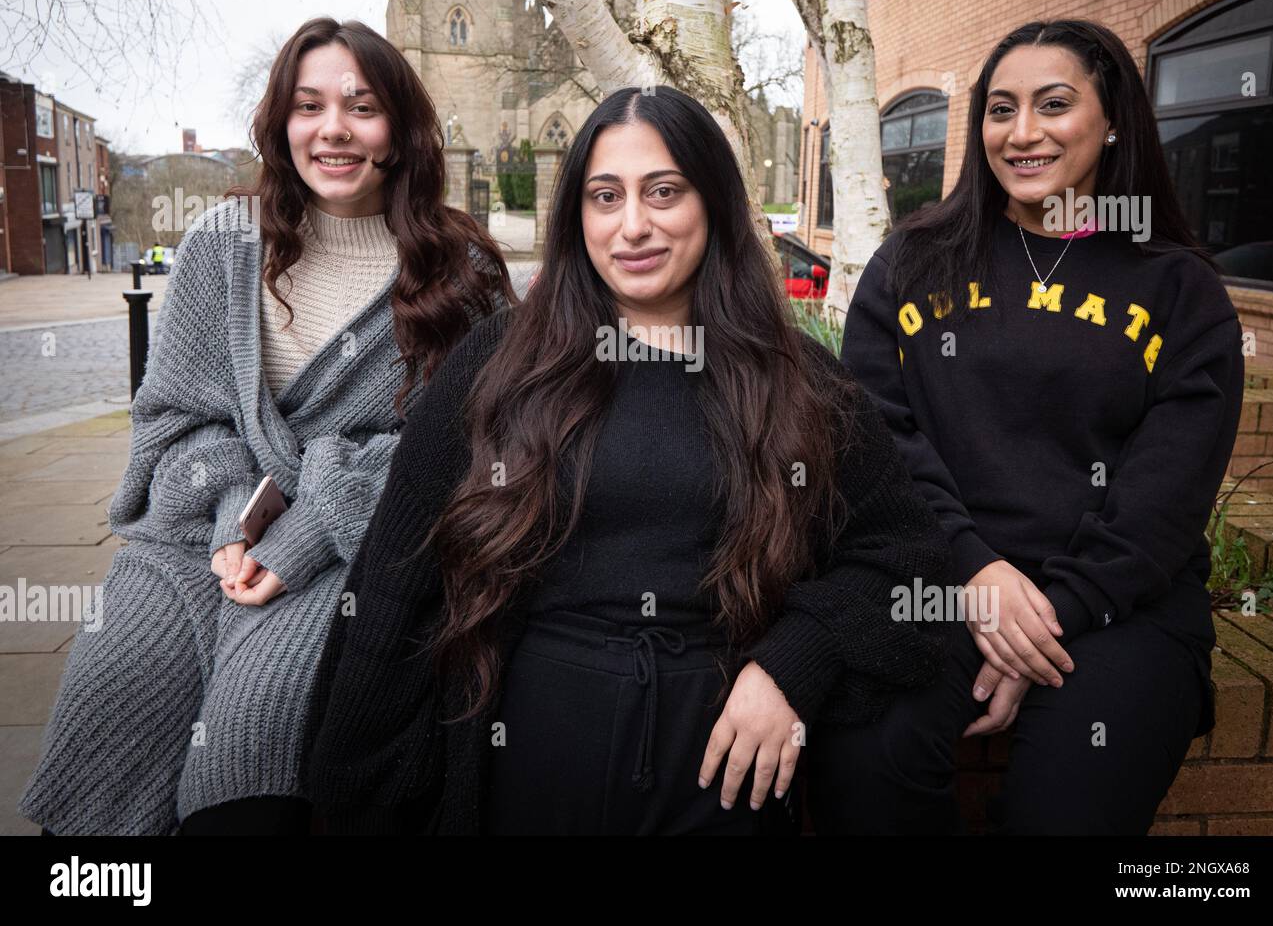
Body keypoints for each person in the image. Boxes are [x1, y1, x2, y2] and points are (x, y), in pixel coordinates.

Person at [302, 85, 954, 835]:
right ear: (577, 219)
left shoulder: (797, 380)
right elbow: (393, 581)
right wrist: (353, 803)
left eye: (664, 192)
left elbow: (907, 557)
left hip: (723, 768)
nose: (633, 226)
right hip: (532, 755)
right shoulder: (502, 362)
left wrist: (792, 664)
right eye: (605, 197)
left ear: (713, 203)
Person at [20, 17, 513, 835]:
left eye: (361, 106)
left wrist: (309, 529)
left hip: (355, 553)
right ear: (281, 125)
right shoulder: (224, 244)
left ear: (400, 127)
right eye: (308, 105)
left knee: (258, 719)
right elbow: (176, 414)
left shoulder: (461, 270)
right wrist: (231, 523)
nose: (334, 129)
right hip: (198, 540)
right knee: (119, 678)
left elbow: (469, 450)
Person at [814, 18, 1244, 835]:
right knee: (871, 758)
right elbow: (875, 435)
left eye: (1053, 105)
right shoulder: (914, 260)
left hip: (1123, 605)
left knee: (1069, 802)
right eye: (1000, 109)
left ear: (1112, 117)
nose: (1022, 133)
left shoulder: (1178, 289)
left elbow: (1167, 494)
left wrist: (1044, 621)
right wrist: (975, 575)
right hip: (941, 579)